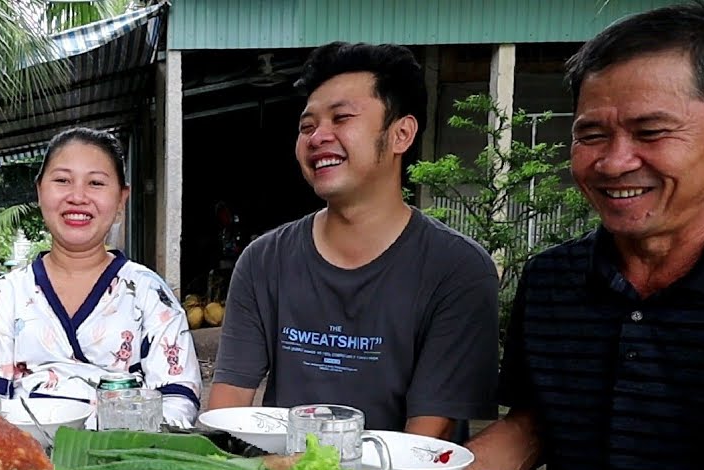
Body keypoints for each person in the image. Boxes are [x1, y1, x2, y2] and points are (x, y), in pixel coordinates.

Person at [467, 2, 704, 470]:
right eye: (591, 135)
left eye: (650, 131)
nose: (613, 162)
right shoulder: (552, 280)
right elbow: (535, 425)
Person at [207, 42, 500, 439]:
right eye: (307, 126)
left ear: (401, 134)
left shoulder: (457, 269)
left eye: (341, 118)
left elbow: (427, 438)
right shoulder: (263, 261)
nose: (317, 137)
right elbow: (228, 411)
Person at [0, 128, 203, 425]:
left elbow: (177, 399)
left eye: (95, 183)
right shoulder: (5, 296)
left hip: (124, 461)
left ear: (121, 199)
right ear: (40, 191)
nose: (77, 197)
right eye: (62, 180)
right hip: (27, 462)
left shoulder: (149, 293)